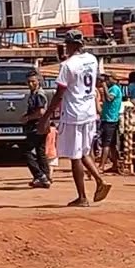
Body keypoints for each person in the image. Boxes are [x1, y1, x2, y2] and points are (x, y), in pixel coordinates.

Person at [39, 30, 111, 207]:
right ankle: (99, 180)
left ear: (70, 45)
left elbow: (58, 94)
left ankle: (83, 196)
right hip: (89, 112)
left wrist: (45, 117)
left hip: (73, 114)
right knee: (84, 151)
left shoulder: (67, 66)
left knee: (74, 156)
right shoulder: (92, 60)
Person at [22, 70, 51, 188]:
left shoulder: (39, 95)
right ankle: (45, 176)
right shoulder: (34, 93)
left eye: (33, 81)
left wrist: (28, 118)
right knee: (40, 152)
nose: (30, 84)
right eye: (28, 82)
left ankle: (40, 175)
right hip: (40, 126)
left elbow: (41, 112)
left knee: (27, 151)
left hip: (37, 126)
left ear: (38, 81)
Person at [97, 73, 124, 173]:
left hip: (110, 119)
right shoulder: (113, 89)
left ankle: (102, 166)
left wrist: (104, 86)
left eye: (108, 79)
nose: (107, 81)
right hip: (108, 118)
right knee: (112, 144)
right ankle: (116, 165)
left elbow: (109, 98)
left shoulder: (114, 89)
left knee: (106, 143)